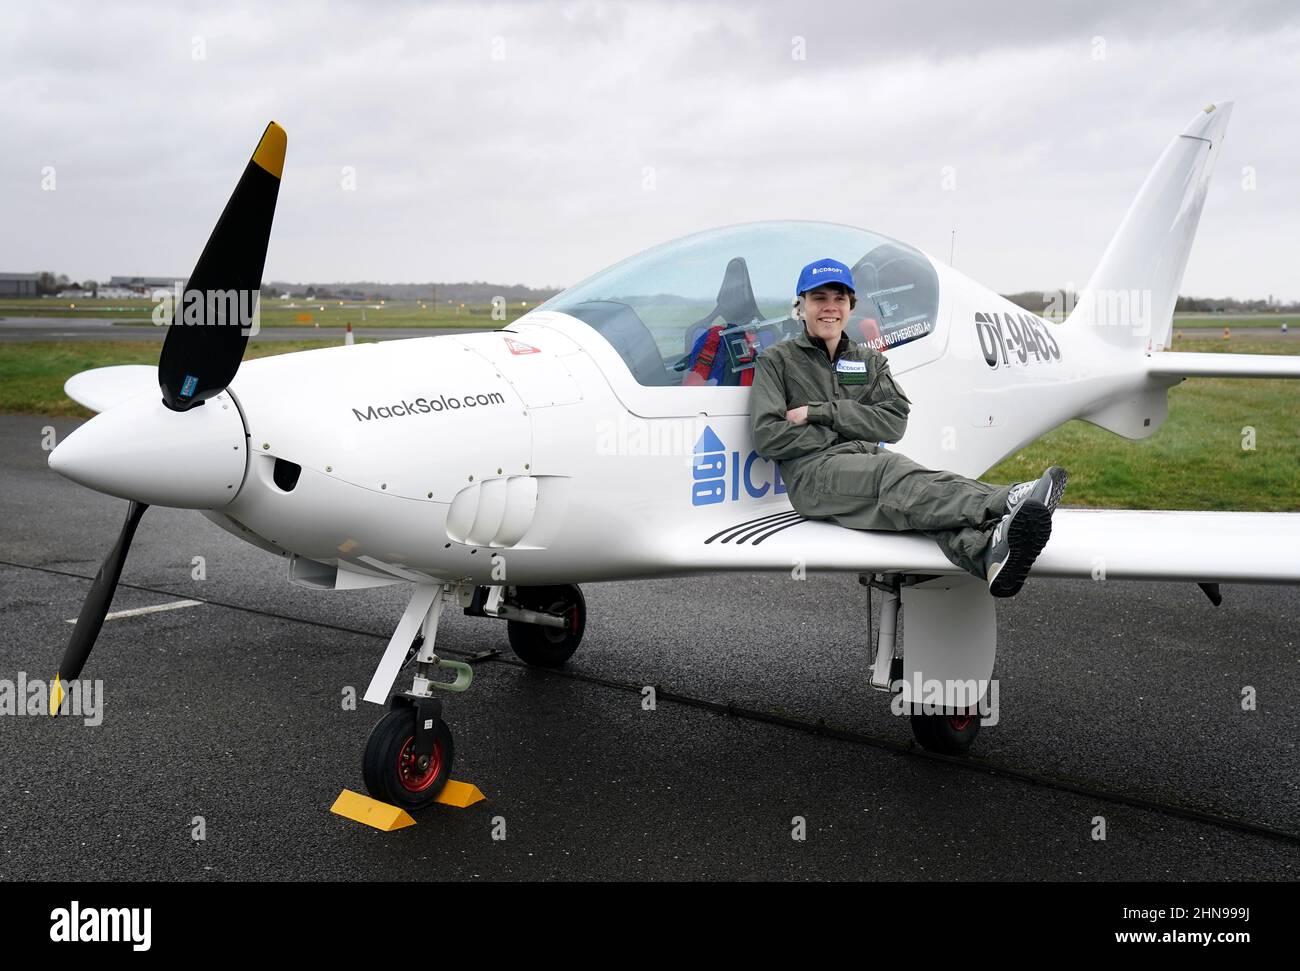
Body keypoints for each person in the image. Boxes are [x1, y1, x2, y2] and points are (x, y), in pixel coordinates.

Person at [749, 257, 1066, 597]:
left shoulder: (867, 360)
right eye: (819, 298)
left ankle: (987, 550)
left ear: (851, 307)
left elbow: (894, 421)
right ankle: (1007, 498)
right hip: (812, 478)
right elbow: (768, 436)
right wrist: (853, 426)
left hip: (862, 462)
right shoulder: (777, 361)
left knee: (915, 506)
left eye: (839, 299)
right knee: (895, 474)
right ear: (801, 306)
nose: (830, 308)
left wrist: (821, 413)